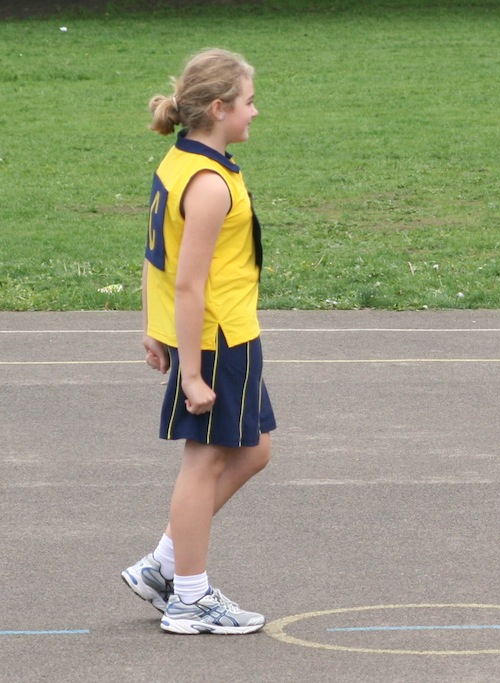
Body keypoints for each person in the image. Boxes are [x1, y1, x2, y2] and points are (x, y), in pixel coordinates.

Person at [121, 48, 273, 635]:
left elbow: (154, 258)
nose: (255, 113)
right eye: (248, 102)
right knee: (205, 461)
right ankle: (189, 597)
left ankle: (164, 566)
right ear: (218, 108)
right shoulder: (208, 183)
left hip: (228, 333)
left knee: (254, 449)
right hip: (216, 340)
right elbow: (185, 281)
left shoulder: (182, 162)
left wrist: (153, 329)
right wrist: (188, 369)